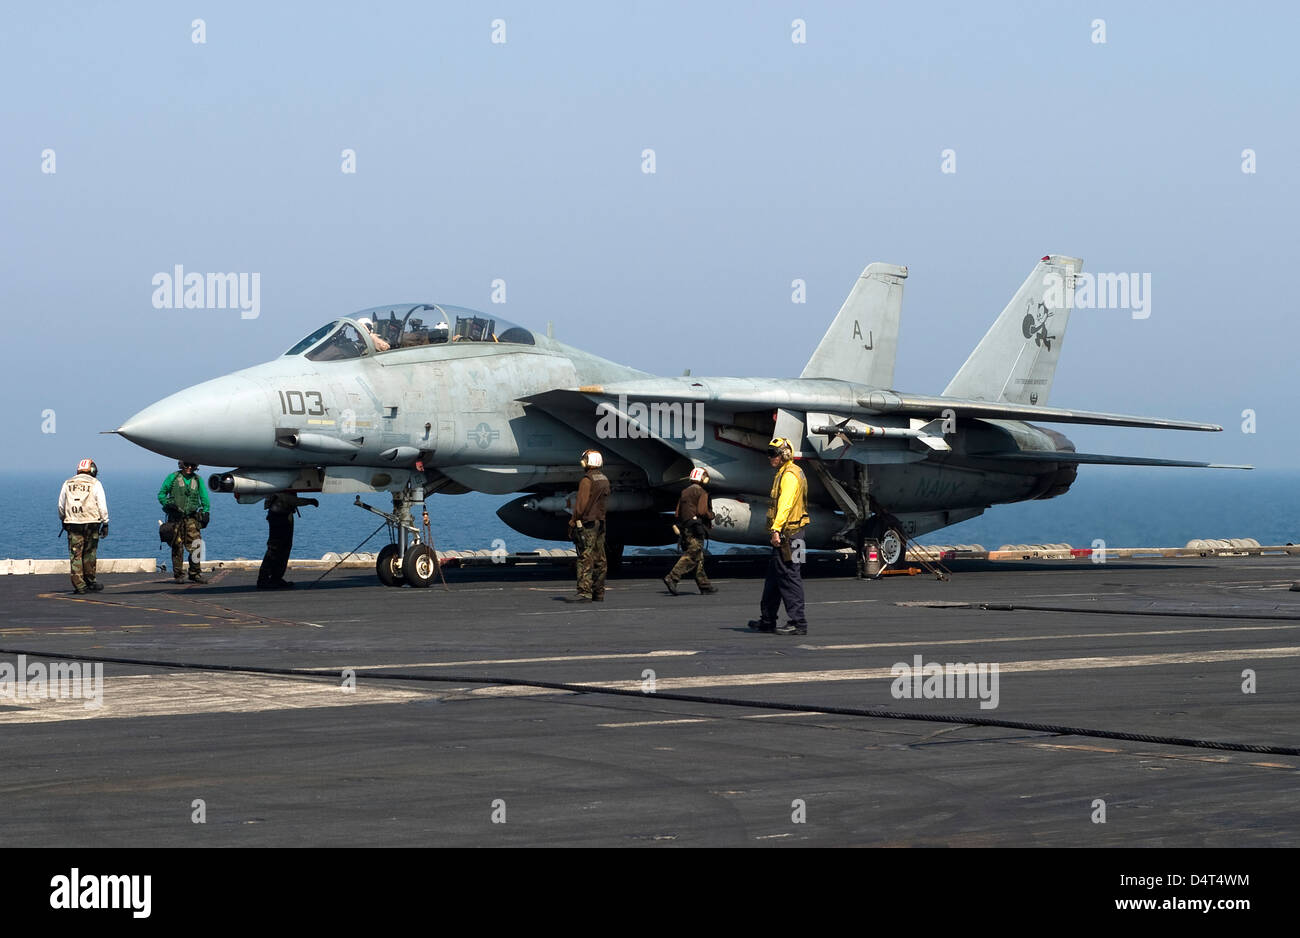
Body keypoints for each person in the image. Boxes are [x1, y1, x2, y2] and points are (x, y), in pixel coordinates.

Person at [748, 437, 811, 635]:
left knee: (791, 577)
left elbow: (785, 505)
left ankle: (798, 623)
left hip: (789, 536)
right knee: (774, 578)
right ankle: (767, 620)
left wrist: (776, 529)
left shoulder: (790, 476)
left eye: (773, 454)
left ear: (784, 454)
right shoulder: (785, 472)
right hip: (790, 535)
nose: (770, 457)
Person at [57, 458, 109, 594]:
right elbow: (101, 505)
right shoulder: (95, 483)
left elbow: (61, 505)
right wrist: (105, 522)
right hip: (92, 522)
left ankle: (79, 586)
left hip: (73, 523)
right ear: (92, 470)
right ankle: (90, 581)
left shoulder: (67, 483)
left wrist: (63, 519)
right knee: (90, 553)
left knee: (76, 554)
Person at [663, 467, 717, 595]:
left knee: (698, 558)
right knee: (692, 554)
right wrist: (711, 515)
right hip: (696, 528)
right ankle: (672, 577)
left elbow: (677, 512)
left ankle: (704, 586)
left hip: (685, 528)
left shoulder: (684, 492)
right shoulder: (702, 492)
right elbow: (702, 511)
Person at [566, 449, 610, 603]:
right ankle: (599, 592)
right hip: (601, 522)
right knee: (600, 558)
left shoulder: (587, 480)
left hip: (588, 523)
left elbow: (581, 505)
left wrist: (573, 521)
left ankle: (584, 592)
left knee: (585, 556)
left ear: (588, 461)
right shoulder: (604, 479)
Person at [159, 460, 211, 584]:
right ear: (181, 465)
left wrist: (206, 512)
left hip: (192, 519)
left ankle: (195, 573)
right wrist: (168, 504)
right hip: (175, 519)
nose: (189, 468)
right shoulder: (173, 477)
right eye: (186, 465)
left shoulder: (197, 480)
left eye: (192, 465)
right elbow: (161, 494)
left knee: (197, 545)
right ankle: (179, 575)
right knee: (177, 546)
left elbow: (204, 497)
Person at [257, 492, 319, 589]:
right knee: (274, 549)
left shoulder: (282, 485)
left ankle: (275, 578)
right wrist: (309, 501)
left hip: (282, 516)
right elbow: (289, 499)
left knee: (284, 548)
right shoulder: (280, 487)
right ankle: (264, 580)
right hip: (279, 517)